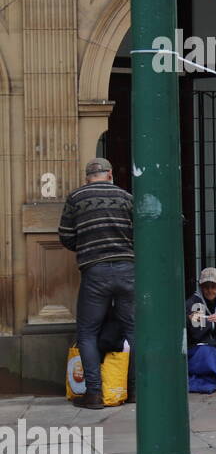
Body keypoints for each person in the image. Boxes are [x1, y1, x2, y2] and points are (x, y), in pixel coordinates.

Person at [59, 158, 136, 410]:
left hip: (95, 272)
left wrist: (87, 247)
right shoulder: (126, 197)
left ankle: (94, 394)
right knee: (134, 331)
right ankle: (135, 390)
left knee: (88, 332)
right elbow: (140, 232)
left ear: (87, 177)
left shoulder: (76, 198)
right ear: (110, 174)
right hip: (128, 269)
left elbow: (66, 236)